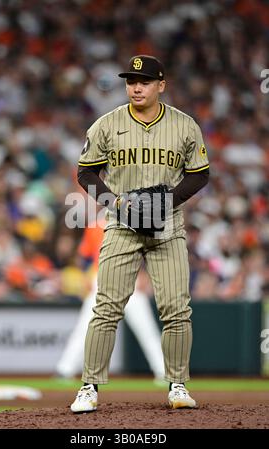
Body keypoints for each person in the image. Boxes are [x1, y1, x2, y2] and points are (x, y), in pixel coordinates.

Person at [71, 55, 209, 413]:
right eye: (131, 80)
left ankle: (178, 384)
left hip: (168, 228)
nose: (136, 86)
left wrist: (166, 202)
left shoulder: (183, 125)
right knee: (106, 308)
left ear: (161, 85)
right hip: (122, 225)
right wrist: (114, 202)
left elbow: (199, 174)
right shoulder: (106, 124)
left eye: (144, 81)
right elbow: (85, 173)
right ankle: (89, 387)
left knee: (177, 309)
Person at [56, 218, 165, 382]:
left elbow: (149, 250)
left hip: (131, 278)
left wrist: (145, 273)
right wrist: (86, 276)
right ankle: (65, 369)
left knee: (146, 329)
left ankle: (163, 371)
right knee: (85, 327)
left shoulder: (136, 220)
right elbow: (85, 256)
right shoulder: (96, 224)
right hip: (101, 280)